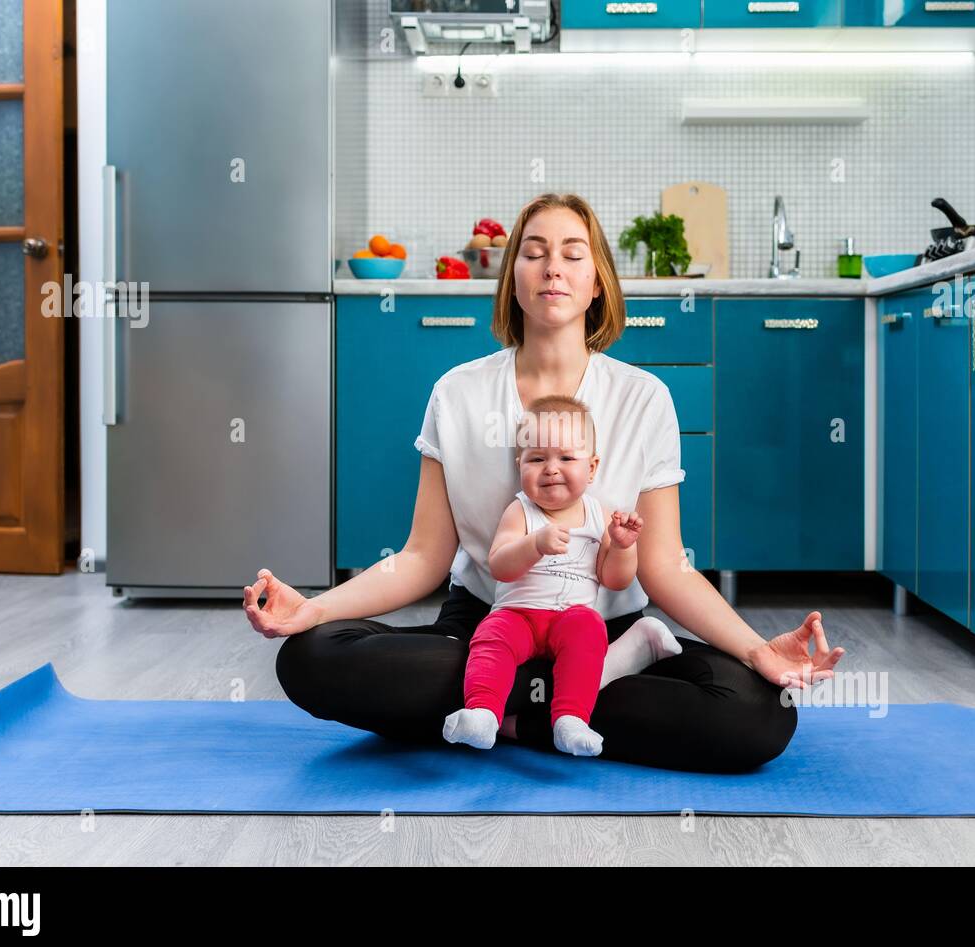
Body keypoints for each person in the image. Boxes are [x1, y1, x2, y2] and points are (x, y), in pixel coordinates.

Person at [248, 192, 845, 774]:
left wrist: (755, 649)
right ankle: (558, 707)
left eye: (572, 253)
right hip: (489, 623)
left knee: (761, 715)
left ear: (597, 282)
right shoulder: (457, 392)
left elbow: (666, 567)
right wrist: (315, 609)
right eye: (533, 252)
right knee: (308, 657)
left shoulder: (644, 398)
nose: (552, 266)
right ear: (512, 278)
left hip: (603, 632)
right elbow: (423, 557)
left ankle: (507, 713)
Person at [442, 394, 682, 758]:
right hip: (517, 615)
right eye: (537, 459)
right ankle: (482, 712)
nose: (551, 468)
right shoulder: (520, 510)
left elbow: (614, 580)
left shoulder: (598, 514)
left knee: (589, 630)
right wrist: (534, 544)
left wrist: (621, 546)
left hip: (570, 617)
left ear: (591, 468)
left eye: (566, 458)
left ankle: (570, 719)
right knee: (490, 638)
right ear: (520, 464)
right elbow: (500, 565)